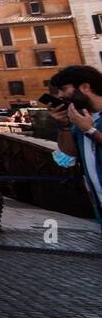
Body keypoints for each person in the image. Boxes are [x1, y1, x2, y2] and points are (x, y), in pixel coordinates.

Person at [48, 65, 102, 230]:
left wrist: (90, 130)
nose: (60, 95)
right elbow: (69, 152)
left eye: (64, 89)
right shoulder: (80, 119)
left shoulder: (84, 123)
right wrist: (64, 125)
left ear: (85, 87)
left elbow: (90, 131)